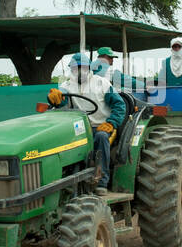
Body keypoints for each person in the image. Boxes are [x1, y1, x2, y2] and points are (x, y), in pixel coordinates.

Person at [50, 53, 127, 194]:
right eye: (75, 68)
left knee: (102, 137)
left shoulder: (101, 83)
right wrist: (55, 97)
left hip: (101, 126)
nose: (79, 70)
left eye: (83, 67)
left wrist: (111, 123)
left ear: (89, 67)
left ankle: (101, 181)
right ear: (71, 69)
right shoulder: (66, 85)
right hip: (79, 128)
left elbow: (119, 105)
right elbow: (61, 99)